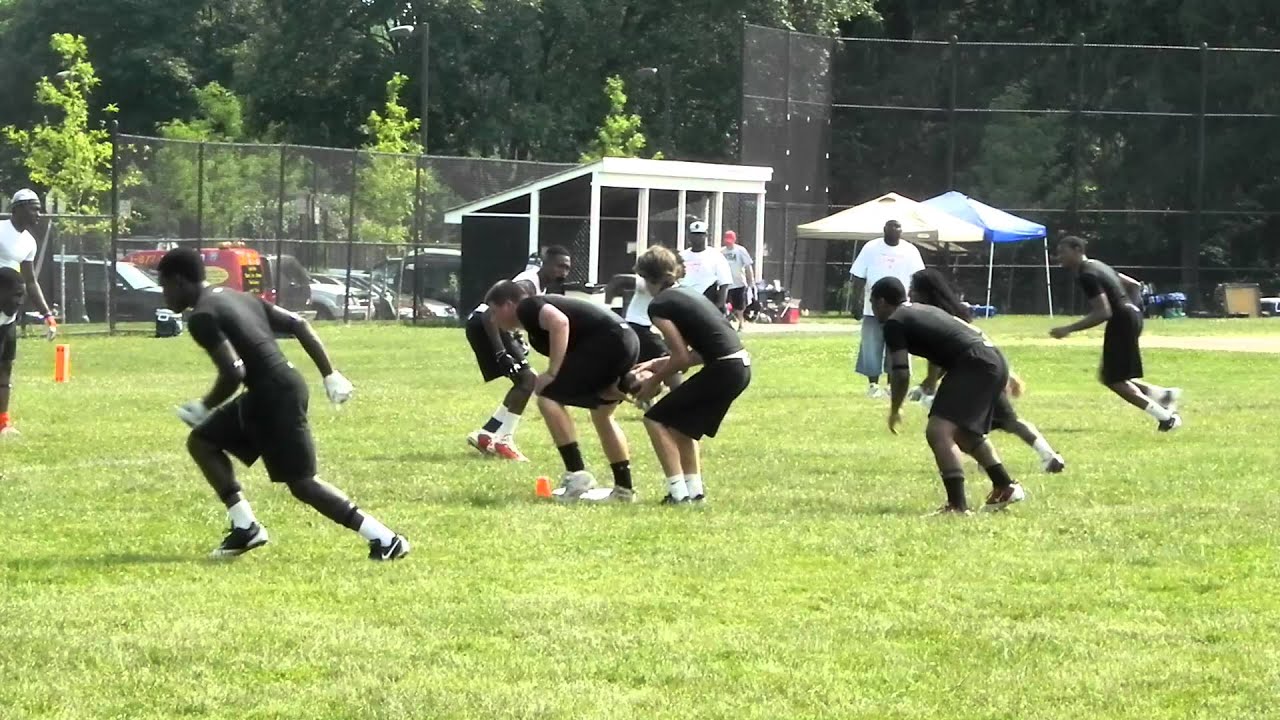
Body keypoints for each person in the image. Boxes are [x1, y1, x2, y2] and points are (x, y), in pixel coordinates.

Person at [156, 247, 409, 560]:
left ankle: (386, 539)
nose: (164, 295)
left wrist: (205, 406)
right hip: (271, 391)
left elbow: (234, 371)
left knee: (303, 484)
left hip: (275, 396)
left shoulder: (202, 316)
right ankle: (245, 526)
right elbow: (298, 324)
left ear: (180, 281)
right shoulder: (238, 296)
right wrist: (330, 374)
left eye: (164, 286)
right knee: (202, 442)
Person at [872, 276, 1025, 515]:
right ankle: (1004, 486)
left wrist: (894, 409)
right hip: (990, 359)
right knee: (963, 433)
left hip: (974, 364)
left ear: (881, 302)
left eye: (873, 303)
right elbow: (958, 338)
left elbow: (900, 372)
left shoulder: (895, 322)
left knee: (938, 431)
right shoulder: (923, 310)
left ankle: (957, 506)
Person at [485, 280, 641, 502]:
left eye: (494, 310)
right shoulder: (533, 326)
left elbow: (560, 322)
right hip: (623, 339)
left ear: (508, 304)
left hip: (608, 342)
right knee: (603, 415)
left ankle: (577, 475)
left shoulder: (527, 307)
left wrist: (552, 373)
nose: (493, 318)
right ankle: (624, 490)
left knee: (548, 397)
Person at [908, 269, 1065, 473]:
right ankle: (1048, 455)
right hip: (986, 370)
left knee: (954, 423)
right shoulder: (955, 313)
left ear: (925, 292)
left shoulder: (936, 317)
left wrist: (929, 382)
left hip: (974, 376)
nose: (910, 294)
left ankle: (990, 463)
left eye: (913, 289)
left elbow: (940, 357)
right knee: (1008, 421)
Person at [633, 247, 752, 504]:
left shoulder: (660, 305)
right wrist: (655, 363)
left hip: (723, 369)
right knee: (681, 428)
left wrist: (651, 383)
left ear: (649, 277)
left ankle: (677, 493)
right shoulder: (689, 294)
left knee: (654, 420)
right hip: (739, 366)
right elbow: (699, 352)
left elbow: (681, 359)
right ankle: (694, 493)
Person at [1050, 236, 1182, 431]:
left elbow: (1103, 312)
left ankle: (1166, 418)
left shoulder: (1086, 275)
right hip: (1131, 317)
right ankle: (1163, 395)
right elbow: (1134, 285)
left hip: (1122, 321)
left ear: (1077, 250)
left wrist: (1068, 329)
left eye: (1063, 252)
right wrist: (1133, 309)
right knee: (1114, 374)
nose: (1059, 256)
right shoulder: (1098, 265)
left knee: (1113, 380)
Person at [464, 245, 572, 460]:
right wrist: (500, 352)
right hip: (485, 326)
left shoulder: (540, 286)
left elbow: (516, 316)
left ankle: (489, 433)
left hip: (487, 327)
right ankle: (503, 440)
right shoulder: (527, 285)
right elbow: (489, 315)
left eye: (567, 268)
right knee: (528, 379)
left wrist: (516, 337)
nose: (563, 272)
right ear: (546, 264)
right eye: (559, 266)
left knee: (524, 381)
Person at [0, 189, 58, 436]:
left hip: (8, 313)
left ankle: (3, 423)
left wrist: (47, 314)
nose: (38, 213)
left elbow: (31, 281)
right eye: (34, 207)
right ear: (18, 208)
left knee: (5, 368)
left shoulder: (29, 242)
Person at [849, 220, 925, 399]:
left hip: (900, 310)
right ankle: (873, 385)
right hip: (873, 308)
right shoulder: (871, 247)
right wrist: (856, 302)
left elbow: (919, 279)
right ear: (884, 230)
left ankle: (892, 385)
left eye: (898, 228)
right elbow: (858, 276)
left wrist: (917, 303)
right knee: (871, 347)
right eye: (891, 227)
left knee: (897, 347)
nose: (894, 231)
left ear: (901, 231)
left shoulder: (910, 250)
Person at [679, 220, 732, 311]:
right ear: (689, 236)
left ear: (706, 235)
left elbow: (724, 283)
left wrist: (718, 305)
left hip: (707, 299)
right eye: (694, 234)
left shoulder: (716, 255)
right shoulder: (682, 256)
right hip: (684, 299)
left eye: (700, 234)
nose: (697, 237)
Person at [721, 230, 756, 332]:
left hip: (739, 282)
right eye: (727, 240)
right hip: (726, 283)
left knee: (739, 305)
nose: (728, 243)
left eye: (730, 240)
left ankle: (741, 324)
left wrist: (751, 281)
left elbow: (748, 266)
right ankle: (726, 323)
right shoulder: (721, 252)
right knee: (725, 303)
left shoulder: (740, 250)